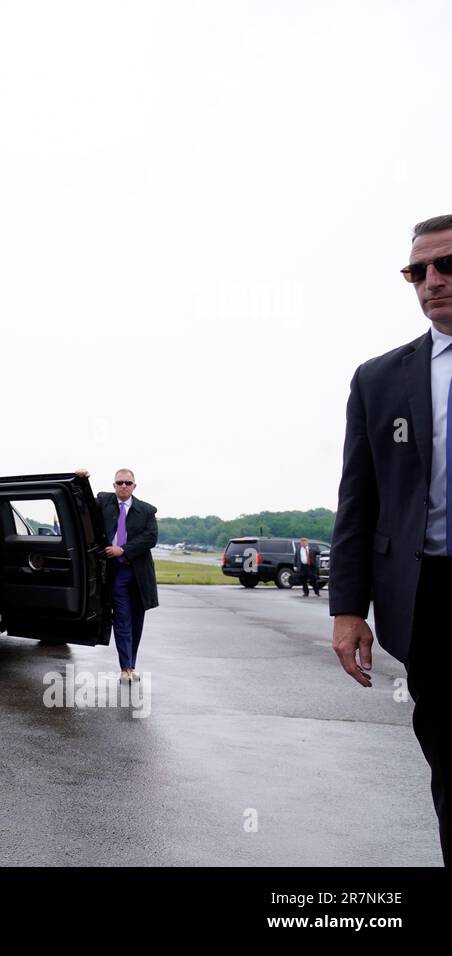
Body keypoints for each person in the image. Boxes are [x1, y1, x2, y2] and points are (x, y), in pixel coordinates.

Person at [331, 213, 452, 864]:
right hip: (430, 597)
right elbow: (360, 502)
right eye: (417, 271)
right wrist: (349, 609)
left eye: (447, 265)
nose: (431, 282)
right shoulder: (380, 381)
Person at [89, 469, 159, 681]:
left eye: (128, 483)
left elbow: (151, 538)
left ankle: (131, 664)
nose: (123, 486)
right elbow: (81, 503)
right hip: (116, 573)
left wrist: (124, 549)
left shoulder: (146, 510)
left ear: (134, 486)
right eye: (119, 482)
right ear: (114, 485)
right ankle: (125, 668)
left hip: (138, 573)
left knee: (136, 621)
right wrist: (80, 478)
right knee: (122, 620)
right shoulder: (104, 501)